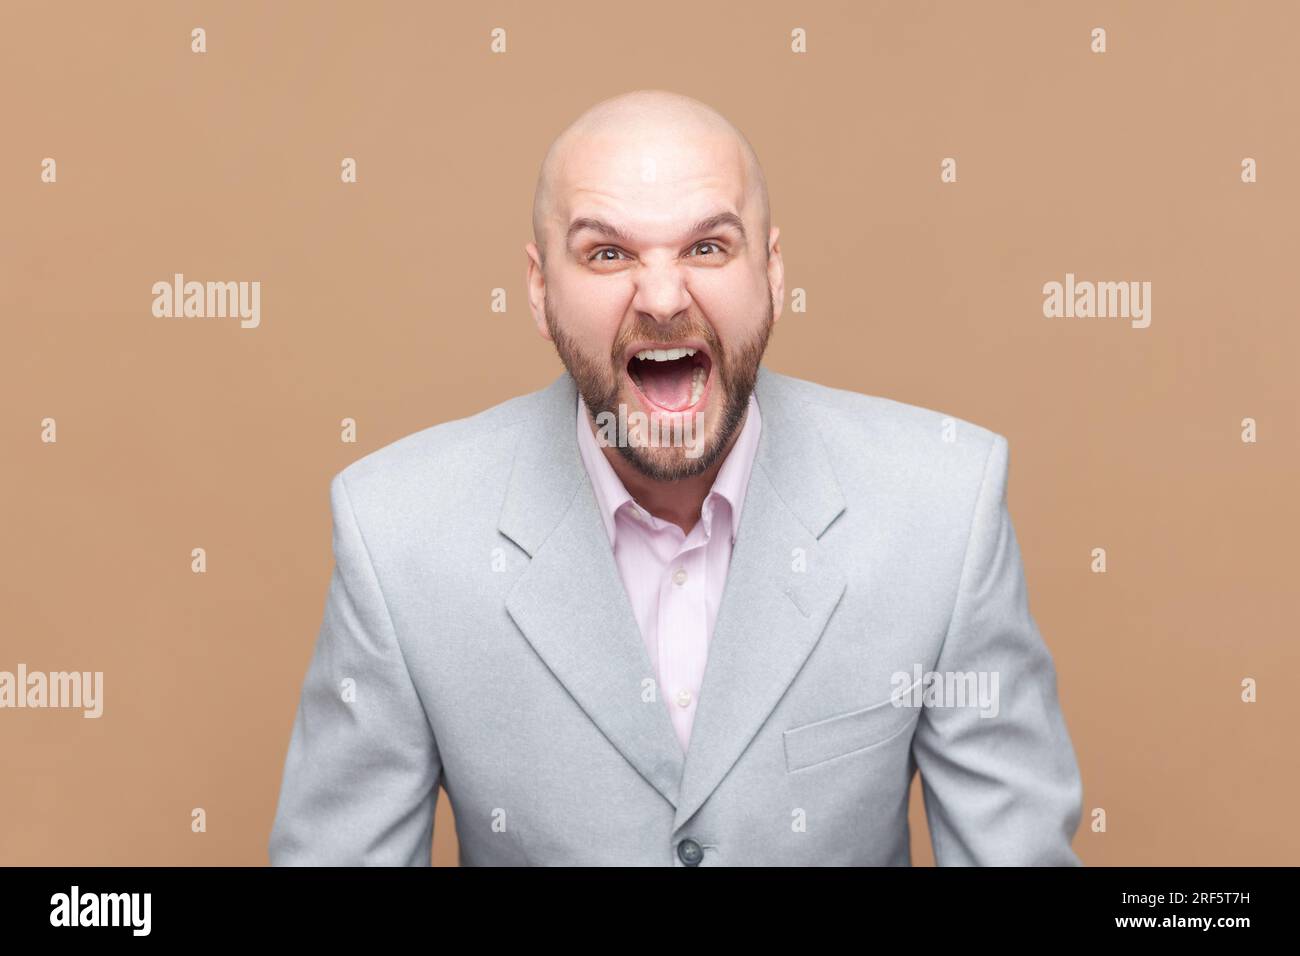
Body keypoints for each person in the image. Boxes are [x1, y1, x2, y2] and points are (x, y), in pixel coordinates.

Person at [268, 89, 1083, 866]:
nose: (661, 298)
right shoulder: (397, 534)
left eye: (707, 247)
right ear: (539, 288)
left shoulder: (943, 506)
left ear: (772, 271)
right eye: (608, 253)